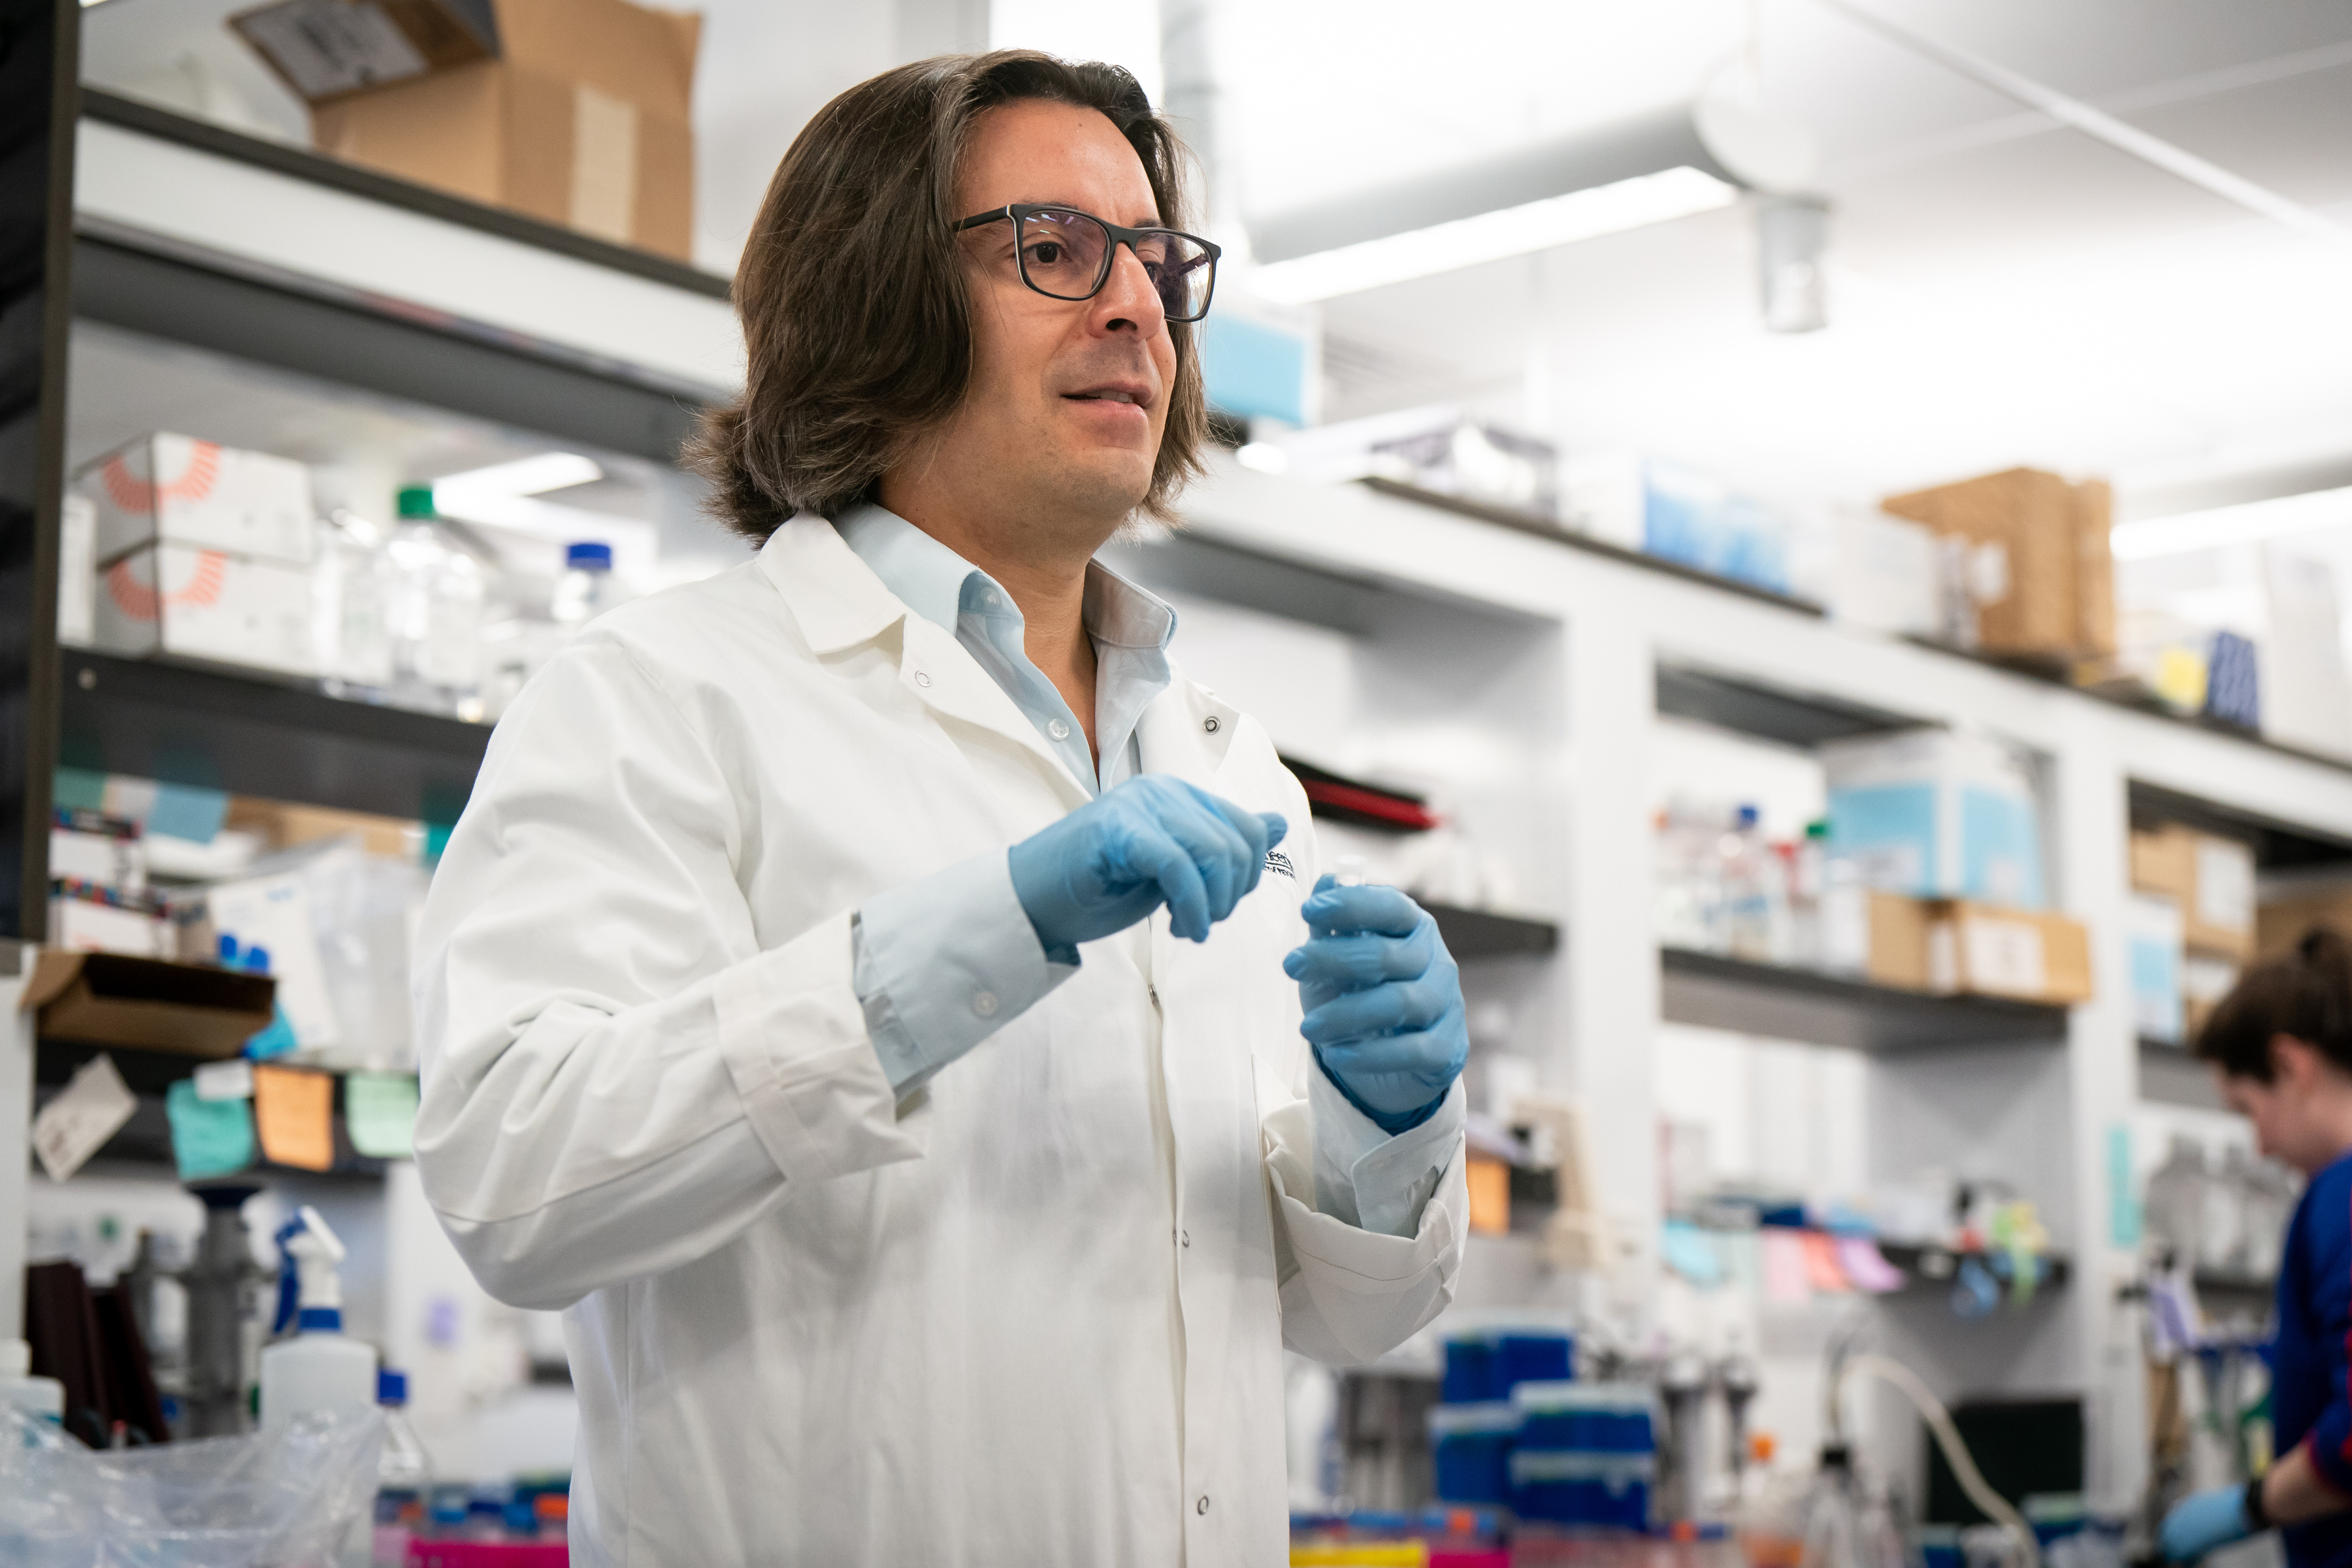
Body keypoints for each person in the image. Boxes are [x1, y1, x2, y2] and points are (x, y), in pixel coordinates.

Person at [412, 51, 1472, 1567]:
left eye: (1156, 260)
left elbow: (1333, 1317)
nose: (1136, 306)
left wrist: (1391, 1128)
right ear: (873, 297)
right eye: (1056, 250)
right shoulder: (662, 693)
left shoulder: (1231, 768)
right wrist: (980, 931)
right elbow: (513, 1181)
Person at [2163, 927, 2352, 1565]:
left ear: (2292, 1067)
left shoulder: (2342, 1196)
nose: (2262, 1147)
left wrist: (2250, 1507)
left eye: (2248, 1109)